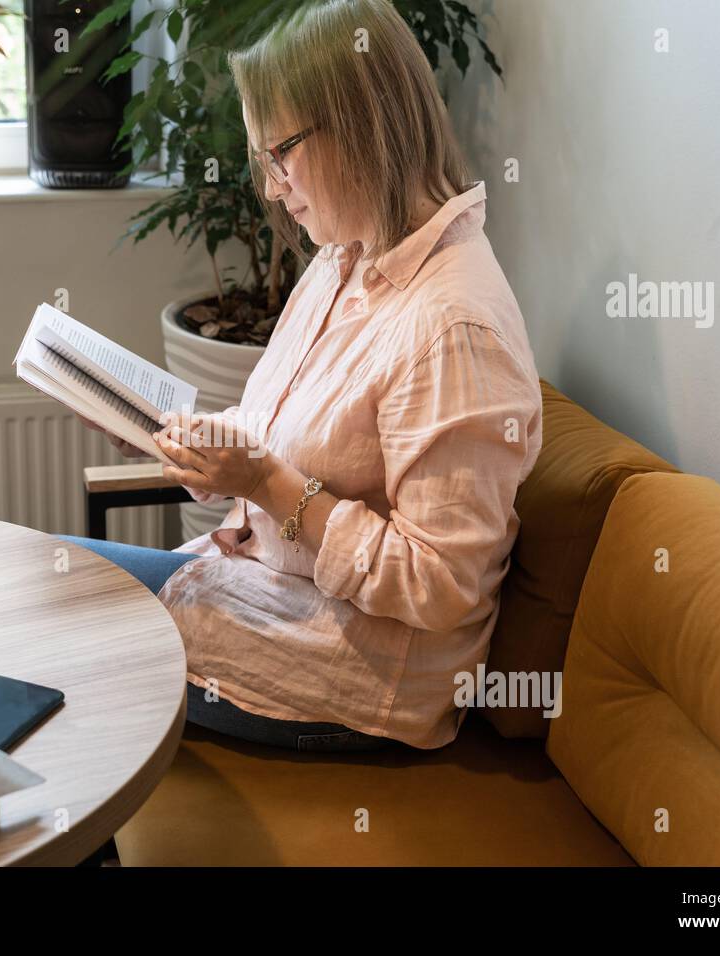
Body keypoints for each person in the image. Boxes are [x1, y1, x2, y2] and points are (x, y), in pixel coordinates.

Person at [64, 0, 542, 754]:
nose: (272, 188)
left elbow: (439, 586)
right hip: (268, 591)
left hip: (359, 670)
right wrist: (171, 436)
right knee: (58, 587)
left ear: (359, 123)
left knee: (64, 601)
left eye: (279, 153)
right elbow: (291, 433)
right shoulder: (346, 259)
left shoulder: (452, 329)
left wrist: (265, 485)